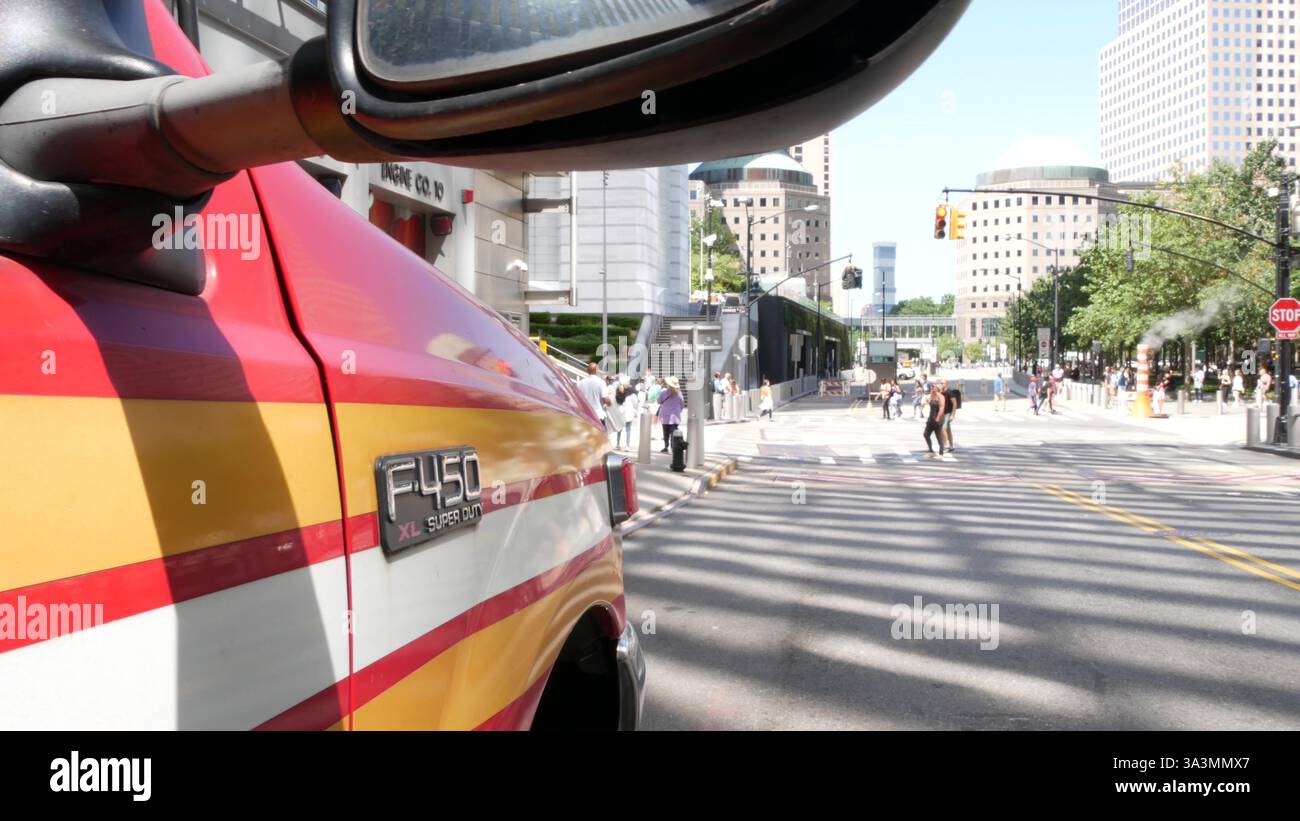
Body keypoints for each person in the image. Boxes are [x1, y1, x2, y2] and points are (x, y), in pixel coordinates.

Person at [657, 376, 685, 452]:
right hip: (675, 416)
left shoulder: (663, 392)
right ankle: (673, 447)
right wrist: (678, 410)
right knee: (673, 432)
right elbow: (682, 404)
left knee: (665, 432)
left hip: (664, 415)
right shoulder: (679, 394)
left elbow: (659, 401)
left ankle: (666, 447)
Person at [923, 381, 948, 456]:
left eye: (933, 387)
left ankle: (941, 451)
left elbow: (941, 409)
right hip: (931, 418)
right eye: (932, 387)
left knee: (938, 436)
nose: (932, 388)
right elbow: (930, 407)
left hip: (938, 418)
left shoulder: (941, 397)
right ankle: (930, 449)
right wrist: (928, 418)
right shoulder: (931, 395)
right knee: (926, 434)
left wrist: (937, 418)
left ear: (937, 388)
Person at [941, 378, 961, 451]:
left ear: (946, 384)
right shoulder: (941, 392)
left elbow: (955, 404)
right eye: (940, 383)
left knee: (943, 428)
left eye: (942, 383)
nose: (941, 384)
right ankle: (951, 446)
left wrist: (953, 415)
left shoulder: (950, 392)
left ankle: (945, 445)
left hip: (948, 413)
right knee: (948, 429)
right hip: (942, 413)